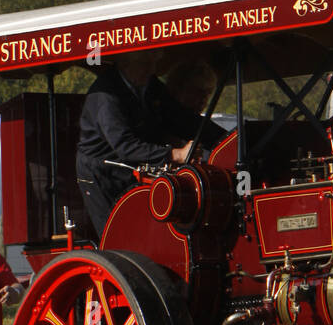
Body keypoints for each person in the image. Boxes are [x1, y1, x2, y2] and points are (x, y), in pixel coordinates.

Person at [76, 53, 228, 238]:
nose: (151, 70)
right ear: (124, 63)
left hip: (133, 169)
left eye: (153, 63)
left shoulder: (149, 84)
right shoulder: (106, 94)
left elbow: (181, 118)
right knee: (118, 237)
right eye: (144, 63)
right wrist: (176, 155)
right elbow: (125, 146)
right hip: (102, 174)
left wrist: (226, 139)